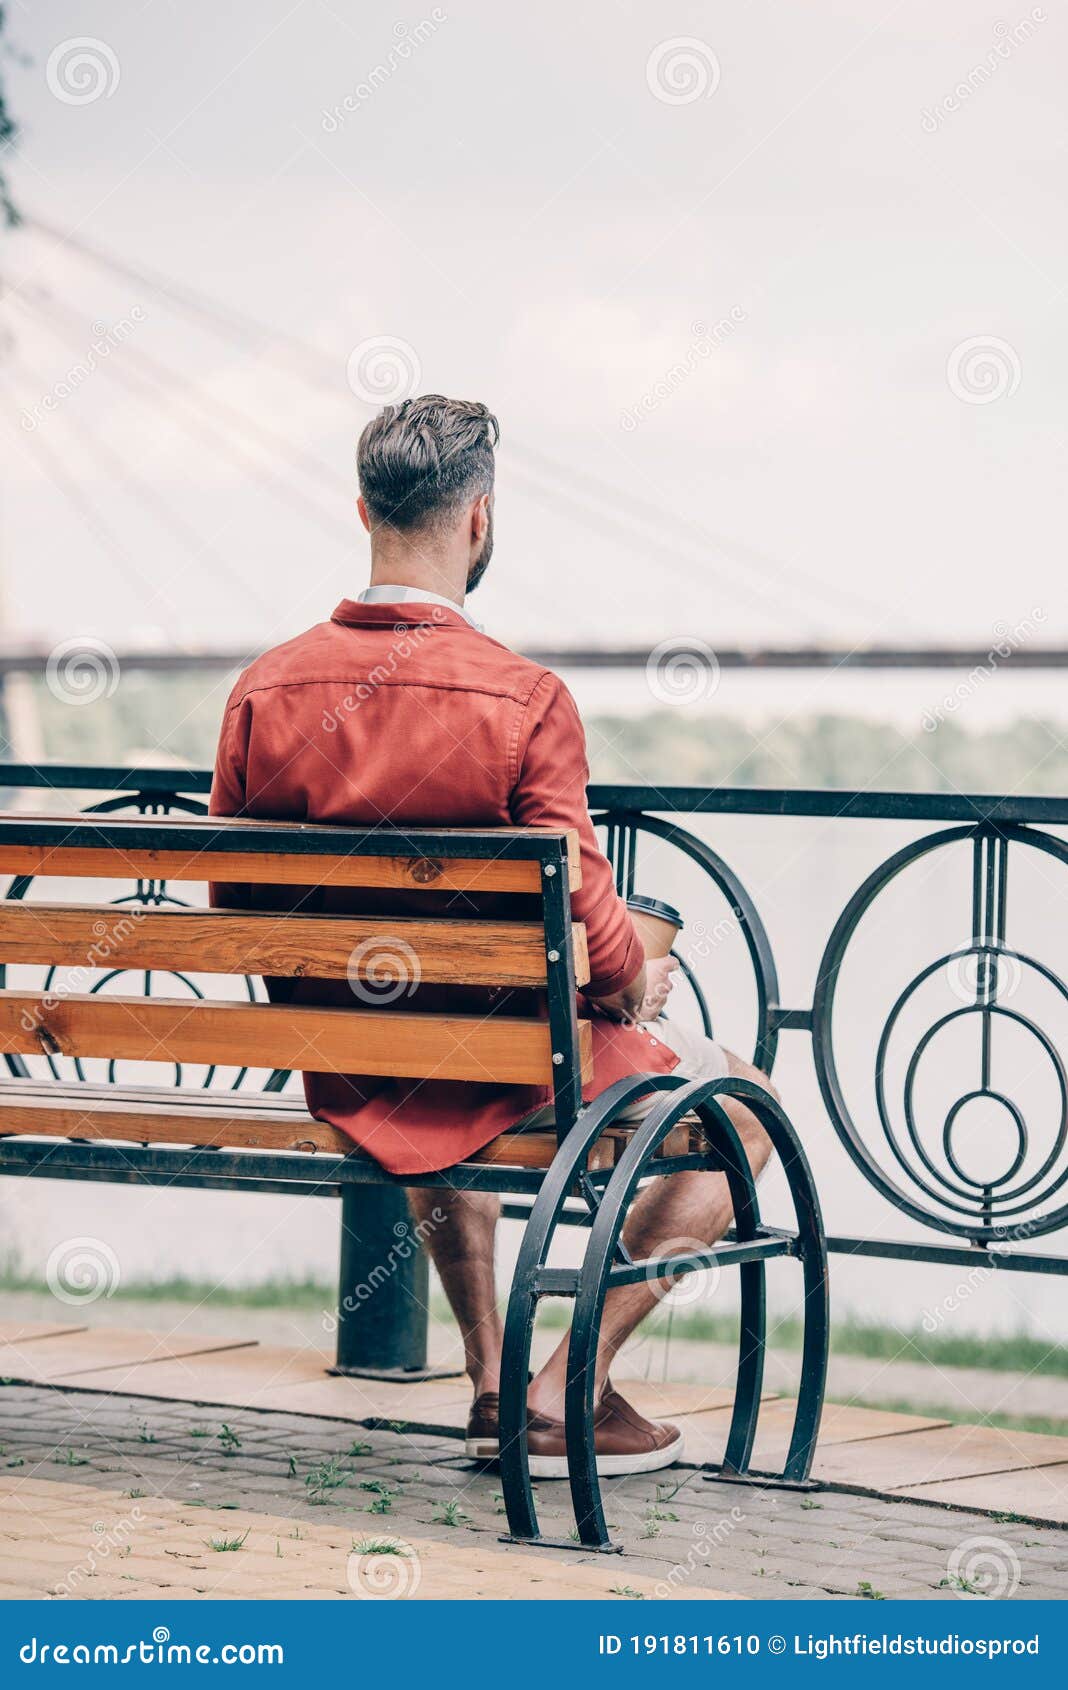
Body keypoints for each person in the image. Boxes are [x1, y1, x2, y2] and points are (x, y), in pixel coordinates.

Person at [210, 394, 778, 1477]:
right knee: (746, 1109)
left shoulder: (264, 689)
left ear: (363, 506)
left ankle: (490, 1388)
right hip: (509, 1061)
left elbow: (233, 912)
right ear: (478, 519)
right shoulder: (524, 698)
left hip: (352, 1061)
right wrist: (634, 980)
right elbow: (593, 935)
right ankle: (564, 1386)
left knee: (432, 1060)